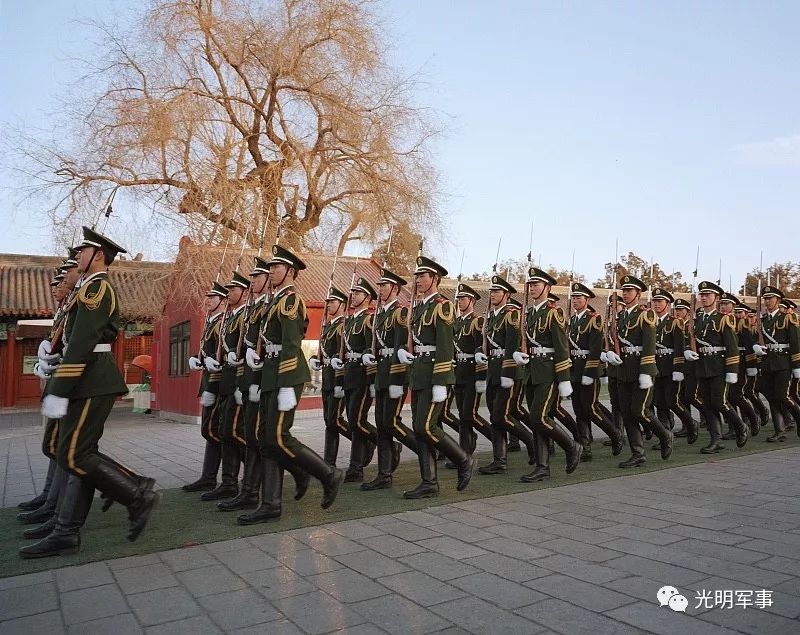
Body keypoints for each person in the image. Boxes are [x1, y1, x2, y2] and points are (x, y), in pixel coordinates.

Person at [21, 226, 157, 558]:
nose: (77, 256)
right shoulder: (87, 289)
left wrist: (58, 387)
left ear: (98, 256)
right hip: (85, 377)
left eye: (83, 251)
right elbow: (71, 339)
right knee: (72, 452)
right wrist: (52, 359)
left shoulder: (97, 288)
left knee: (74, 454)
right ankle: (67, 530)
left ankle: (136, 494)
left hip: (92, 377)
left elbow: (82, 342)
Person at [238, 245, 344, 524]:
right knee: (266, 440)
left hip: (287, 374)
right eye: (271, 267)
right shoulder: (274, 300)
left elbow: (291, 344)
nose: (271, 271)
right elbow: (269, 339)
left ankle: (327, 474)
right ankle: (271, 503)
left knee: (278, 437)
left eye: (276, 267)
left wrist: (285, 384)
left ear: (290, 271)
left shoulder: (290, 301)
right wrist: (256, 356)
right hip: (271, 373)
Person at [398, 255, 475, 498]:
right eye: (417, 276)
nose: (418, 280)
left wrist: (442, 380)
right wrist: (404, 351)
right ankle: (429, 481)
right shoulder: (419, 306)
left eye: (423, 276)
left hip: (435, 374)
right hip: (419, 372)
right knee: (418, 428)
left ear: (435, 278)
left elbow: (445, 346)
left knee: (426, 426)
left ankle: (463, 459)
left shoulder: (442, 305)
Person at [514, 267, 582, 482]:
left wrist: (563, 379)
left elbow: (562, 348)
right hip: (532, 371)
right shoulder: (531, 312)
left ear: (547, 287)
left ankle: (572, 447)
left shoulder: (555, 312)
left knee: (539, 416)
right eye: (531, 285)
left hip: (549, 372)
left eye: (536, 284)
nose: (532, 288)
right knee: (537, 421)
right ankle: (543, 467)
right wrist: (521, 354)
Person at [605, 274, 672, 468]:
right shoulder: (620, 316)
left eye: (629, 290)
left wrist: (646, 371)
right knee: (627, 413)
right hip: (623, 369)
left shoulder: (646, 314)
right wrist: (608, 354)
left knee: (640, 411)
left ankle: (664, 434)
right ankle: (638, 453)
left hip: (641, 369)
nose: (625, 294)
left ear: (638, 293)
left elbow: (649, 344)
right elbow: (614, 341)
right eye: (624, 290)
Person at [475, 275, 537, 475]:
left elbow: (512, 344)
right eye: (492, 291)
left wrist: (507, 371)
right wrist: (479, 351)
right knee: (495, 417)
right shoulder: (492, 316)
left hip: (508, 371)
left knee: (502, 415)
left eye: (497, 291)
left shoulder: (511, 314)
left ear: (507, 294)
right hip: (494, 371)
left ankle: (531, 442)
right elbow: (486, 340)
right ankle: (499, 460)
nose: (493, 294)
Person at [361, 268, 411, 490]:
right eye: (379, 286)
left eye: (384, 286)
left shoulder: (400, 313)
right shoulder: (379, 314)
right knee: (381, 426)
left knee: (390, 423)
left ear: (395, 288)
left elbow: (401, 347)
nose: (380, 289)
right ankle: (384, 474)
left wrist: (397, 380)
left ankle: (426, 449)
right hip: (381, 375)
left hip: (394, 376)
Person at [683, 281, 748, 453]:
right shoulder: (696, 320)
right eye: (702, 295)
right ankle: (716, 439)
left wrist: (732, 371)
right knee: (708, 405)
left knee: (720, 402)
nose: (704, 297)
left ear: (716, 298)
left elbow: (732, 346)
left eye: (708, 295)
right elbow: (690, 341)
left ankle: (740, 426)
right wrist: (688, 350)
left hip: (719, 367)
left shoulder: (723, 319)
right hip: (702, 366)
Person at [567, 282, 624, 458]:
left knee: (590, 408)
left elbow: (596, 347)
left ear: (587, 299)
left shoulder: (594, 318)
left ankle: (615, 434)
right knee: (578, 410)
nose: (576, 301)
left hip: (588, 369)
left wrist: (590, 372)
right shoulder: (573, 320)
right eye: (574, 298)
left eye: (579, 298)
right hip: (575, 369)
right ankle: (586, 447)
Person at [331, 277, 379, 482]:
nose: (353, 296)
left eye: (358, 293)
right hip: (349, 374)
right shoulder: (349, 321)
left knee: (357, 420)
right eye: (353, 292)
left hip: (361, 376)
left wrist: (372, 382)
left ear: (367, 297)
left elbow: (372, 352)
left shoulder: (369, 320)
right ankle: (356, 467)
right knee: (353, 423)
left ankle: (383, 442)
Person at [183, 281, 228, 492]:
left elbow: (225, 355)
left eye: (213, 297)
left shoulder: (223, 323)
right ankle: (208, 476)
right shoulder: (210, 322)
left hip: (218, 384)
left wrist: (213, 384)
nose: (208, 301)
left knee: (215, 430)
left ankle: (249, 472)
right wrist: (197, 358)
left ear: (222, 300)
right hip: (208, 381)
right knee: (209, 430)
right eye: (207, 297)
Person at [650, 287, 698, 446]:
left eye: (660, 301)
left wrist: (678, 369)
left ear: (667, 303)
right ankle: (665, 434)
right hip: (656, 368)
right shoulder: (651, 322)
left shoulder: (675, 322)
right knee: (659, 403)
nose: (656, 304)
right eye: (655, 301)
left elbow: (679, 346)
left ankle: (691, 423)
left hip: (671, 367)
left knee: (673, 402)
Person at [309, 286, 351, 466]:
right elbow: (327, 352)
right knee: (329, 421)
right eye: (327, 302)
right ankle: (329, 460)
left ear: (342, 304)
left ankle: (364, 443)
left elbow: (343, 354)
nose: (328, 306)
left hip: (337, 379)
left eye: (332, 302)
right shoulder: (329, 325)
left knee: (334, 419)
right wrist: (314, 359)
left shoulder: (344, 325)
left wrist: (340, 381)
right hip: (327, 377)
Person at [754, 285, 800, 442]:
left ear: (778, 300)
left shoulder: (787, 317)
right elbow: (759, 339)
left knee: (783, 396)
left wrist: (797, 366)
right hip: (768, 363)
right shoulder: (763, 320)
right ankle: (779, 430)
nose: (767, 301)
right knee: (773, 398)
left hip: (783, 362)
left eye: (770, 298)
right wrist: (757, 347)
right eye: (765, 299)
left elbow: (795, 342)